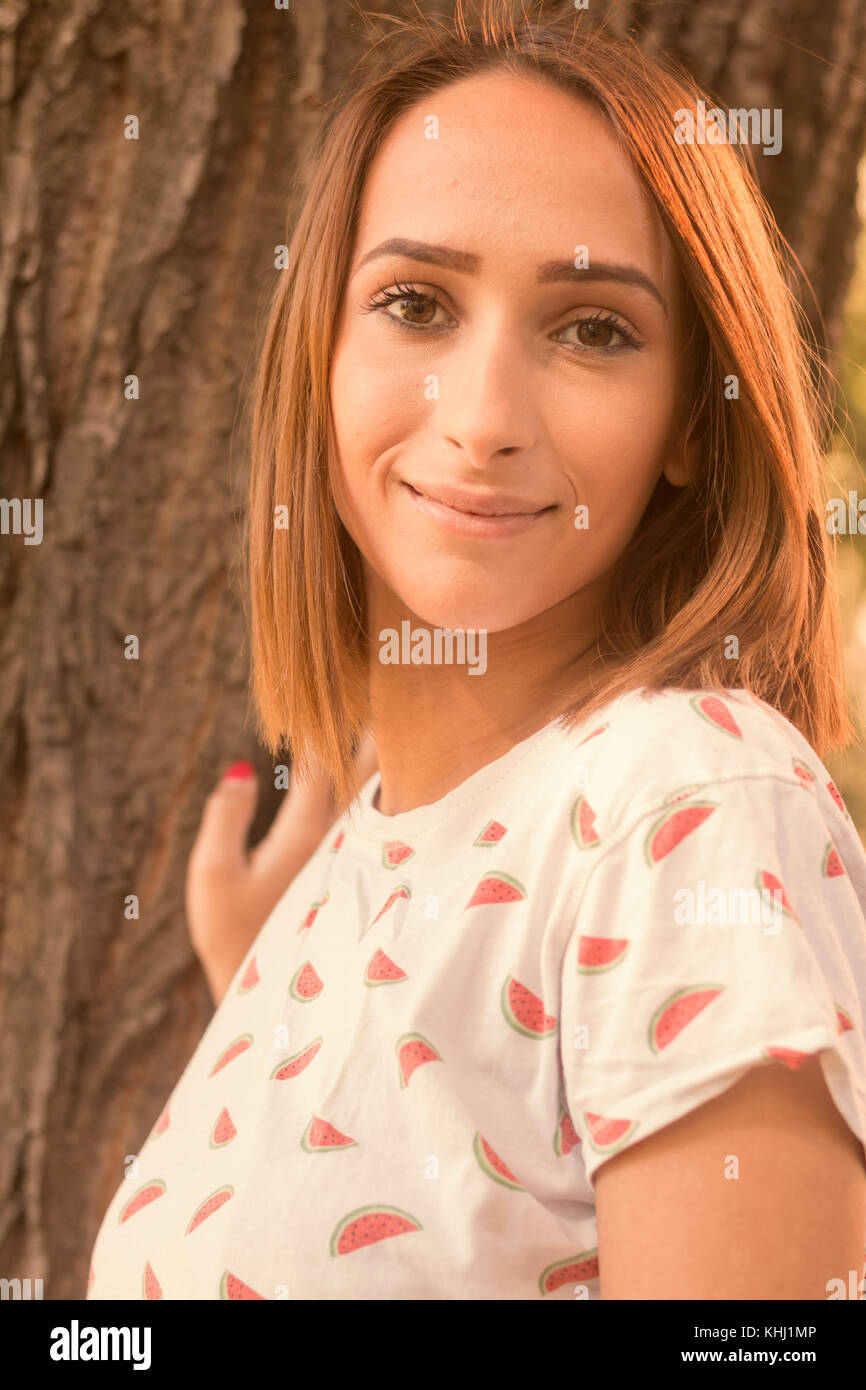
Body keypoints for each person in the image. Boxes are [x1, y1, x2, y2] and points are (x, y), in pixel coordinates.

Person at [85, 0, 866, 1300]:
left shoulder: (690, 804)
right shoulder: (354, 870)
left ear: (688, 422)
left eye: (592, 328)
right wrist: (269, 986)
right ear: (319, 362)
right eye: (413, 303)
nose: (485, 416)